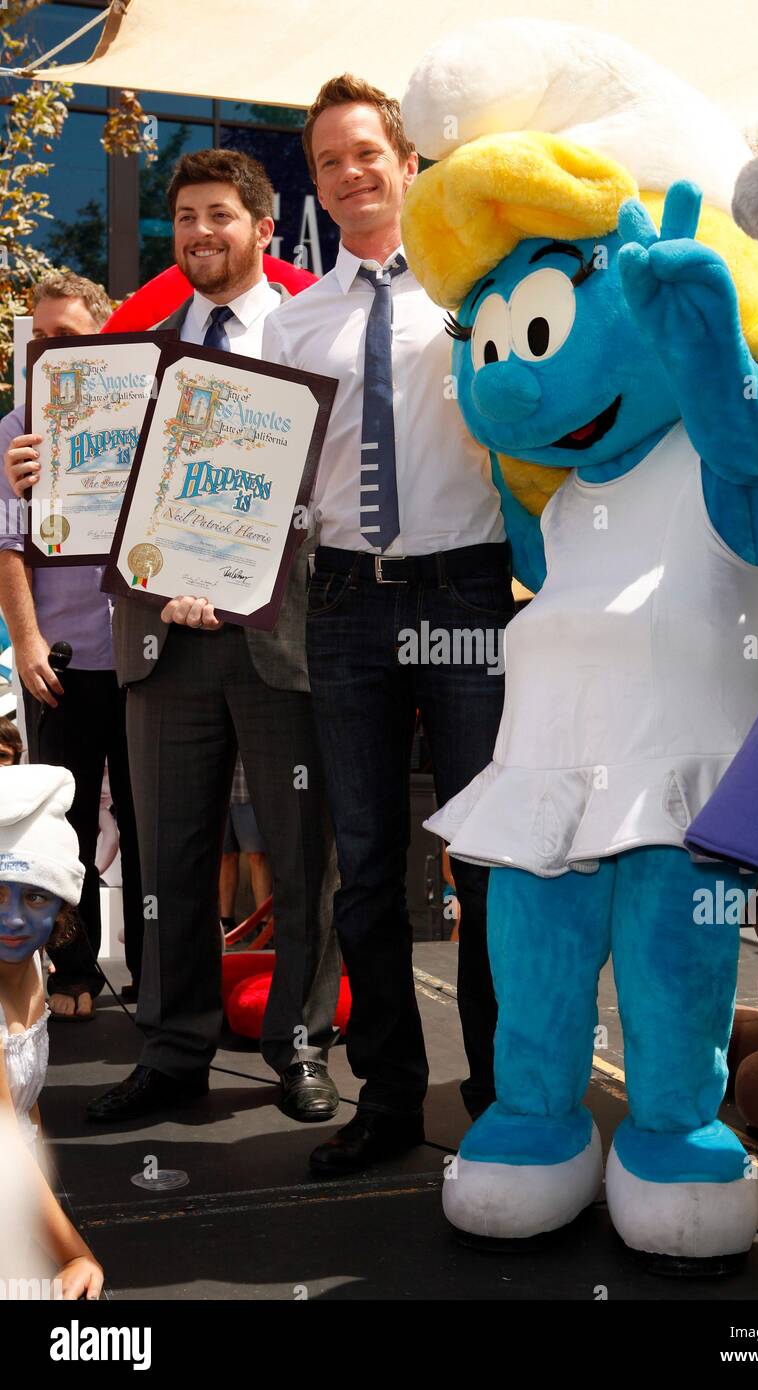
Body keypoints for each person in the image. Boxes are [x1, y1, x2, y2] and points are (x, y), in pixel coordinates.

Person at [263, 76, 512, 1176]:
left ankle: (508, 1093)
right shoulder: (292, 321)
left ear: (408, 164)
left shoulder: (485, 291)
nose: (352, 172)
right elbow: (253, 482)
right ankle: (390, 1099)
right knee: (362, 861)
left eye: (368, 152)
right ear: (314, 184)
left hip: (468, 591)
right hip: (345, 603)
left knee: (489, 859)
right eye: (328, 161)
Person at [84, 148, 340, 1126]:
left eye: (219, 215)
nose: (198, 232)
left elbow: (324, 487)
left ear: (262, 228)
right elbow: (99, 487)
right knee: (172, 854)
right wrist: (42, 472)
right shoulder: (135, 347)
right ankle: (172, 1048)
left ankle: (301, 1047)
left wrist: (232, 582)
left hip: (279, 632)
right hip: (160, 638)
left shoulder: (309, 336)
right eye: (184, 216)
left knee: (298, 849)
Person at [1, 272, 144, 1020]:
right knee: (68, 824)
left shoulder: (155, 415)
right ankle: (74, 971)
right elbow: (6, 547)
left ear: (108, 336)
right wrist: (26, 640)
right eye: (45, 336)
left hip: (150, 659)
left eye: (73, 336)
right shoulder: (16, 427)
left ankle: (160, 978)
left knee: (159, 823)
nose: (57, 347)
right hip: (60, 664)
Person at [0, 763, 104, 1298]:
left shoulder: (36, 965)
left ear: (62, 904)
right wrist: (75, 1253)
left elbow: (23, 1108)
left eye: (34, 896)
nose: (13, 918)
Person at [219, 755, 272, 936]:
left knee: (257, 855)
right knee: (225, 855)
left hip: (248, 788)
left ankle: (263, 924)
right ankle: (226, 920)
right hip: (219, 790)